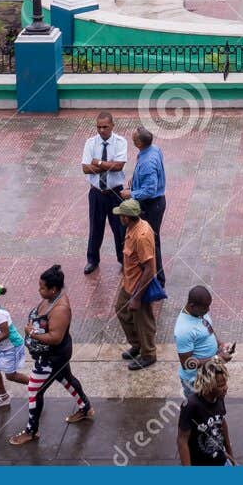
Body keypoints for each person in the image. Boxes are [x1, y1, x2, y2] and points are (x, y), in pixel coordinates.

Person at [9, 264, 91, 445]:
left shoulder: (60, 309)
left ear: (53, 289)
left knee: (34, 389)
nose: (39, 290)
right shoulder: (51, 298)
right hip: (53, 355)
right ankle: (85, 408)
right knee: (66, 379)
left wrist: (32, 333)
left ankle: (31, 431)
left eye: (42, 288)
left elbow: (55, 337)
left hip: (52, 358)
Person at [114, 198, 161, 370]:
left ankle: (148, 354)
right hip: (129, 282)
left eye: (121, 215)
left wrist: (137, 297)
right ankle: (137, 344)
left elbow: (149, 268)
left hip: (138, 285)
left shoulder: (141, 236)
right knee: (121, 310)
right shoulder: (132, 228)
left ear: (127, 218)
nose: (119, 218)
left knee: (143, 321)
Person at [81, 111, 128, 275]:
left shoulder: (121, 142)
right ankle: (92, 260)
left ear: (112, 126)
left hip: (115, 193)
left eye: (105, 127)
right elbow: (85, 168)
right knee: (95, 227)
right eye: (98, 127)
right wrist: (108, 165)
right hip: (96, 193)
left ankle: (123, 259)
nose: (101, 130)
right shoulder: (90, 143)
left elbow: (119, 167)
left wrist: (98, 162)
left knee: (120, 228)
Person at [124, 126, 167, 284]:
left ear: (139, 143)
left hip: (151, 205)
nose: (132, 138)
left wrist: (132, 193)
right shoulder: (154, 149)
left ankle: (157, 279)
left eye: (134, 137)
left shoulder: (147, 163)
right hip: (154, 202)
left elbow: (150, 189)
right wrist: (135, 182)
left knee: (151, 241)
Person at [174, 285, 234, 397]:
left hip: (210, 373)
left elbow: (208, 329)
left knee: (213, 406)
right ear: (192, 306)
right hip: (195, 381)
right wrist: (217, 359)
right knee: (198, 411)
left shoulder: (200, 312)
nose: (208, 310)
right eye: (205, 307)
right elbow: (187, 364)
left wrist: (220, 345)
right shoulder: (183, 330)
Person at [178, 358, 235, 466]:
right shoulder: (191, 405)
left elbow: (221, 421)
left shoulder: (219, 397)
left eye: (225, 383)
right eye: (220, 385)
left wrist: (229, 452)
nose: (225, 388)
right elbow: (182, 440)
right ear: (208, 385)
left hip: (220, 459)